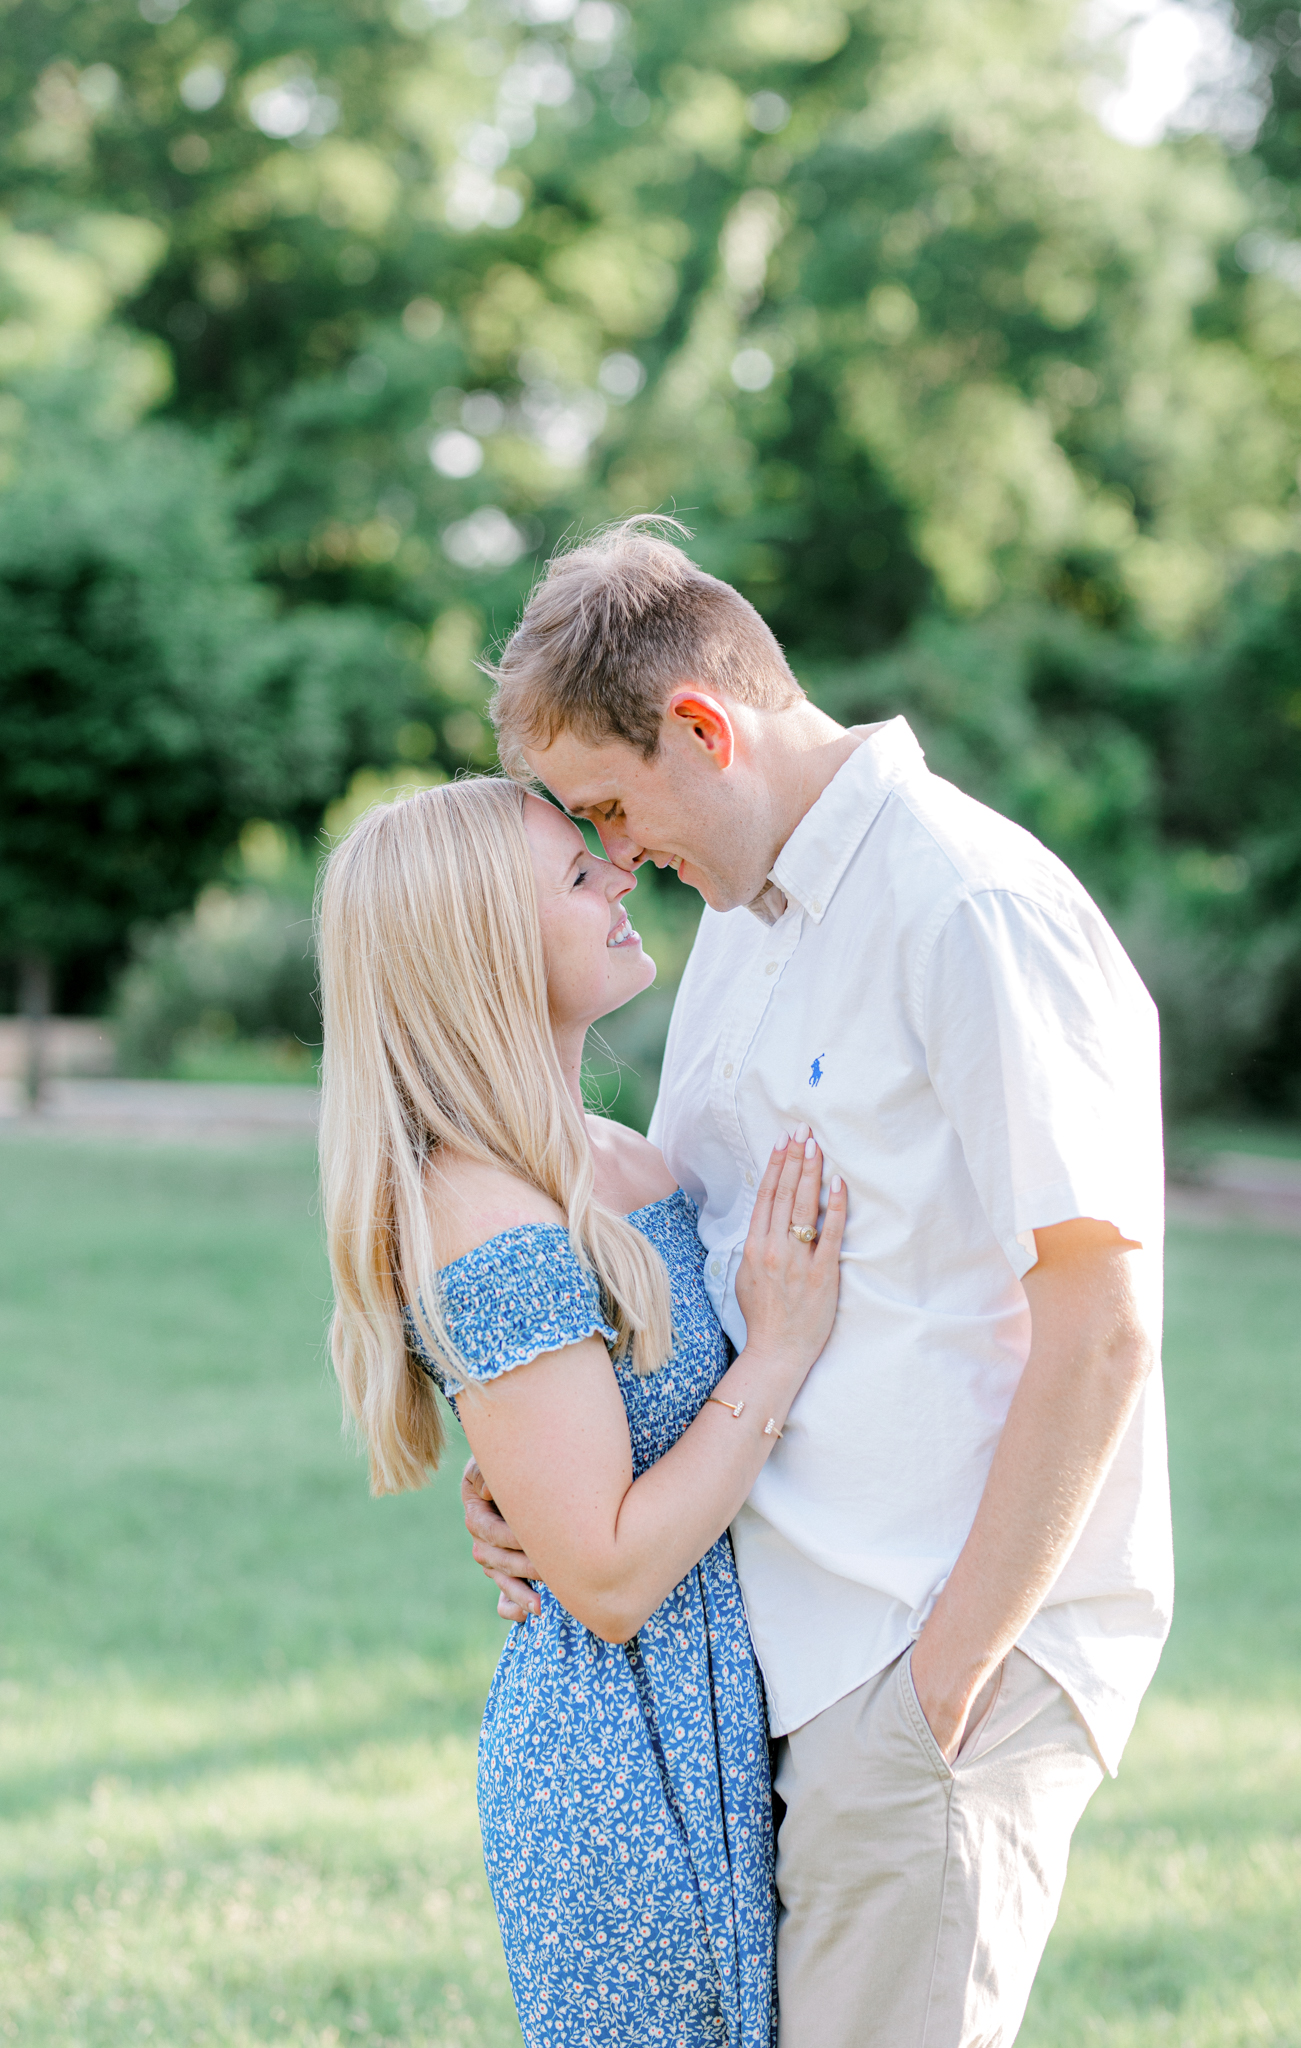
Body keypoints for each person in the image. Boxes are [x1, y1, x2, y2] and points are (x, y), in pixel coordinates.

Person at [463, 520, 1174, 2048]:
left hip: (922, 1657)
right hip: (768, 1657)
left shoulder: (973, 907)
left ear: (704, 731)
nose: (617, 854)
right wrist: (539, 1476)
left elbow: (1103, 1323)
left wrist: (946, 1686)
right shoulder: (741, 926)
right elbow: (696, 1275)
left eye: (610, 803)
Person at [315, 773, 846, 2048]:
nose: (618, 874)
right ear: (485, 947)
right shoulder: (483, 1208)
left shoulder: (614, 1160)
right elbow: (604, 1575)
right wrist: (771, 1358)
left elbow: (588, 1469)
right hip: (620, 1777)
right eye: (574, 873)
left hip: (707, 1723)